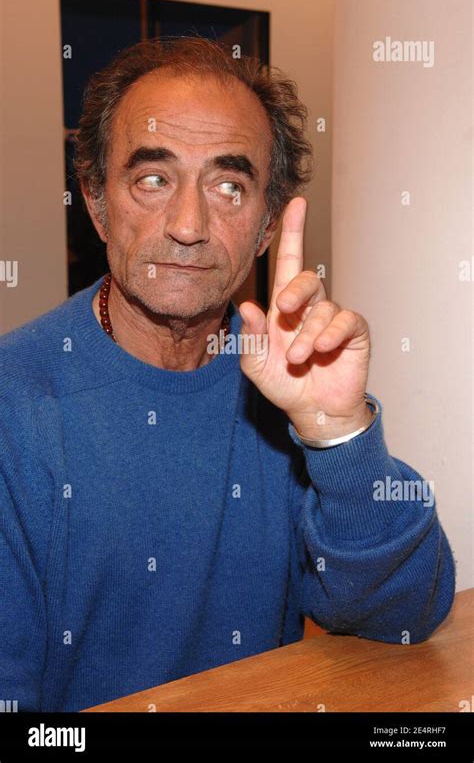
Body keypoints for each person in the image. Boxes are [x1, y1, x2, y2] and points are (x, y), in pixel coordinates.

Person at [0, 37, 455, 712]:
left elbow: (405, 614)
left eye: (229, 186)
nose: (188, 226)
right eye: (153, 179)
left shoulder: (287, 379)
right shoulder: (16, 406)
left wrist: (337, 434)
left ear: (266, 227)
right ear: (96, 203)